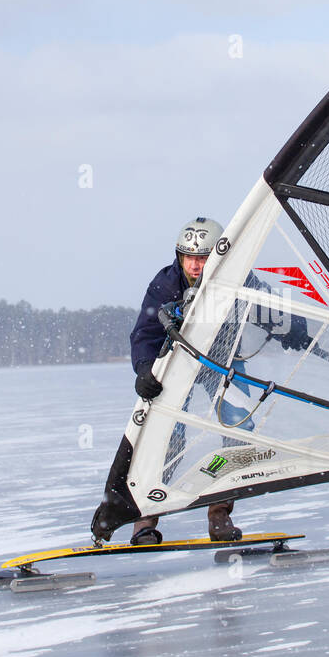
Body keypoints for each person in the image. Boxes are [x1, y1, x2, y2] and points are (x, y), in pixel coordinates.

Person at [89, 217, 245, 546]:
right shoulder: (165, 285)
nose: (194, 265)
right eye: (187, 257)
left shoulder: (239, 276)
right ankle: (144, 521)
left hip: (222, 359)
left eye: (201, 258)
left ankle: (219, 514)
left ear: (216, 255)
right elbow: (145, 332)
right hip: (179, 360)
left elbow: (271, 306)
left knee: (237, 426)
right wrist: (145, 369)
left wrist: (295, 330)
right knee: (165, 436)